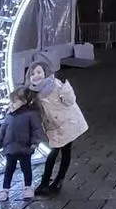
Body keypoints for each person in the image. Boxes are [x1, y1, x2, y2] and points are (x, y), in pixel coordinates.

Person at [28, 52, 88, 195]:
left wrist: (66, 89)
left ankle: (57, 180)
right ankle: (45, 182)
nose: (36, 75)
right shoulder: (33, 93)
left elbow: (70, 101)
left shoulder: (55, 85)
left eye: (39, 72)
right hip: (53, 128)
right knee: (53, 153)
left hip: (68, 124)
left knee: (62, 151)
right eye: (32, 73)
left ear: (45, 72)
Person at [0, 87, 46, 201]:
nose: (12, 104)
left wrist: (34, 143)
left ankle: (28, 187)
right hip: (10, 148)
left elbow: (37, 130)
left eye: (15, 101)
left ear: (24, 101)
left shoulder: (31, 114)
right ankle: (5, 189)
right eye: (11, 101)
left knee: (26, 168)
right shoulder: (9, 116)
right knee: (9, 169)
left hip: (25, 147)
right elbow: (2, 132)